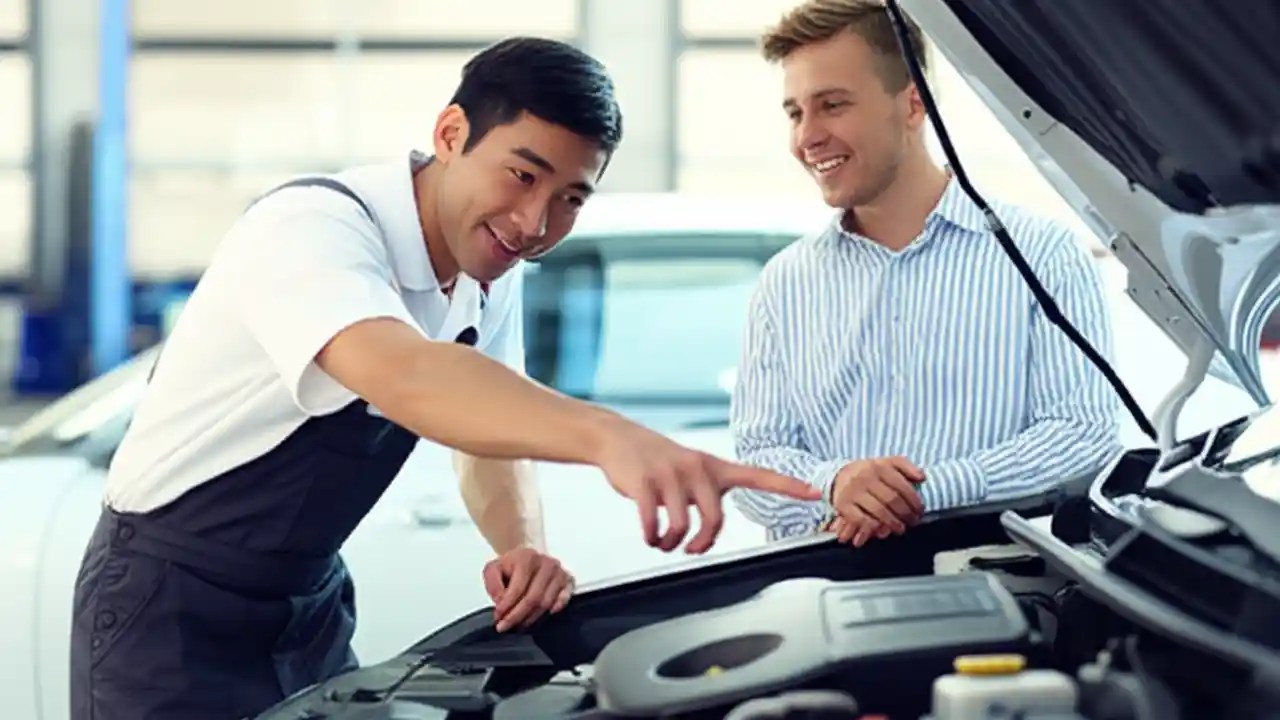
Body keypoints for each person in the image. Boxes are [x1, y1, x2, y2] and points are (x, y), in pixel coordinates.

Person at [70, 36, 818, 720]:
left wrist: (520, 546)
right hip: (168, 605)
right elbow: (404, 373)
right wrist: (611, 437)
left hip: (306, 605)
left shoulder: (488, 269)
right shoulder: (313, 228)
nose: (534, 224)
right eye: (523, 175)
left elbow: (487, 429)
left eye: (569, 199)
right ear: (451, 134)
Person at [729, 0, 1122, 545]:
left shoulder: (1041, 254)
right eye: (795, 113)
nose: (807, 137)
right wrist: (836, 484)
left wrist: (924, 490)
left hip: (989, 582)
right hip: (823, 583)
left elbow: (1082, 435)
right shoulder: (784, 283)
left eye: (832, 105)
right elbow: (755, 459)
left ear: (913, 105)